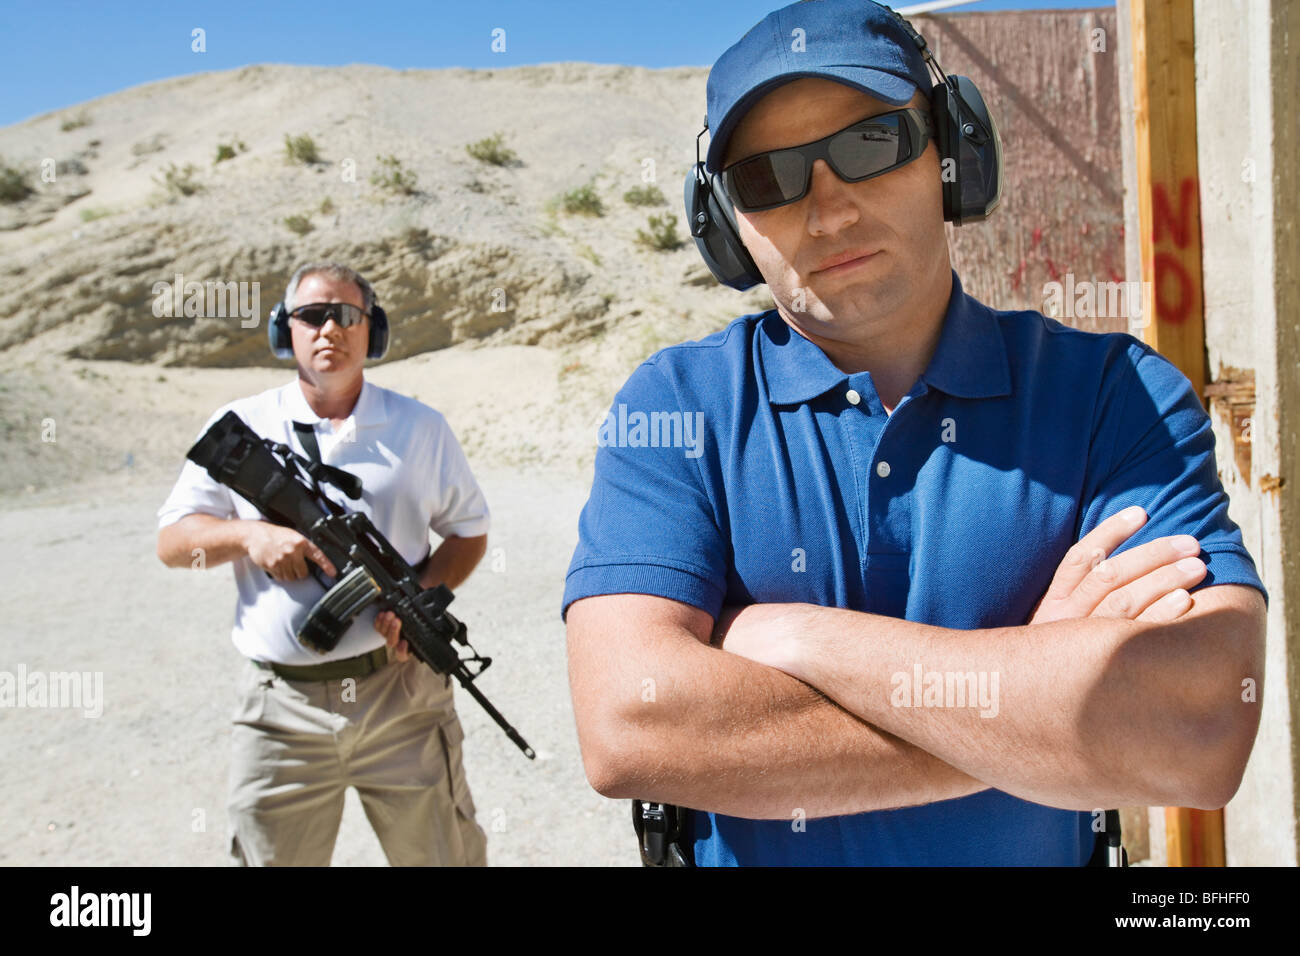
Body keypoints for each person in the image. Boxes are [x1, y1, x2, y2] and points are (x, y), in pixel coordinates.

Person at [562, 0, 1267, 866]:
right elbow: (630, 727)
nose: (828, 212)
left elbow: (1195, 727)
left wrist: (793, 636)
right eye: (766, 178)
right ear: (726, 223)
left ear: (952, 151)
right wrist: (1039, 704)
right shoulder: (675, 408)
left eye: (869, 145)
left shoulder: (1114, 395)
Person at [156, 261, 491, 866]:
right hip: (280, 711)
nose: (328, 329)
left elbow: (468, 532)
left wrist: (420, 596)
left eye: (347, 315)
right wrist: (248, 536)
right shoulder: (244, 428)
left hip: (403, 697)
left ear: (373, 331)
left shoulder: (419, 428)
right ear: (285, 330)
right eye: (311, 315)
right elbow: (175, 541)